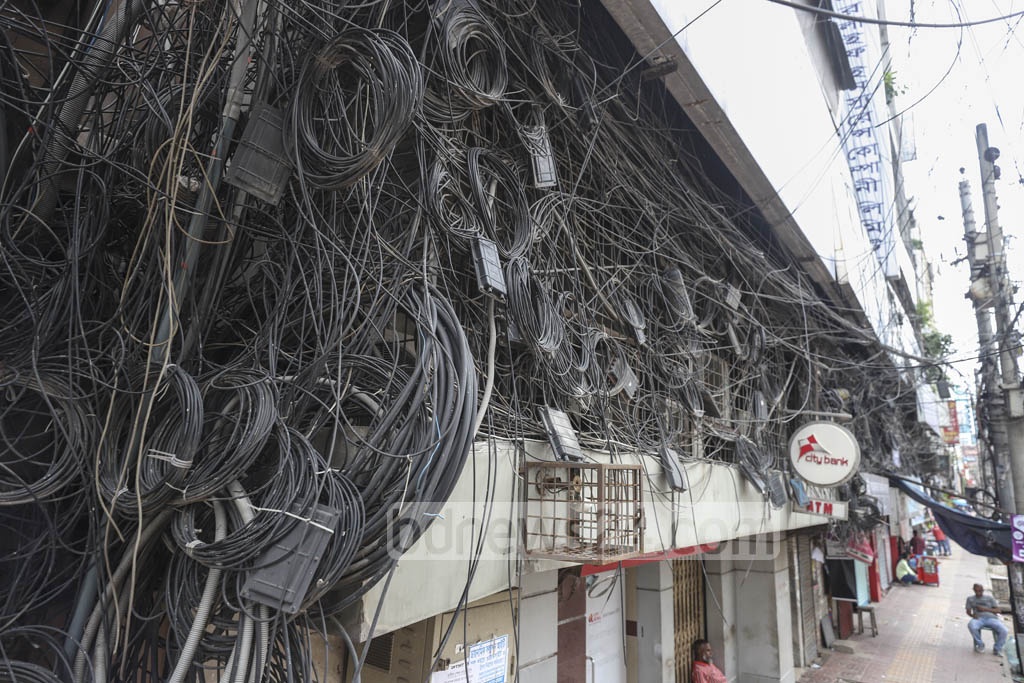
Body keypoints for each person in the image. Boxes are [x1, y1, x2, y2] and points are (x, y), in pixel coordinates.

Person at [966, 583, 1008, 655]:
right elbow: (968, 611)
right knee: (971, 626)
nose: (978, 593)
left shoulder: (989, 598)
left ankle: (997, 648)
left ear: (983, 590)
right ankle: (980, 644)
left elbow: (998, 610)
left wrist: (985, 609)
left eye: (980, 591)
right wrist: (972, 615)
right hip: (979, 618)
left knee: (1004, 630)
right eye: (976, 591)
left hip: (992, 618)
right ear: (974, 590)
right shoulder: (970, 599)